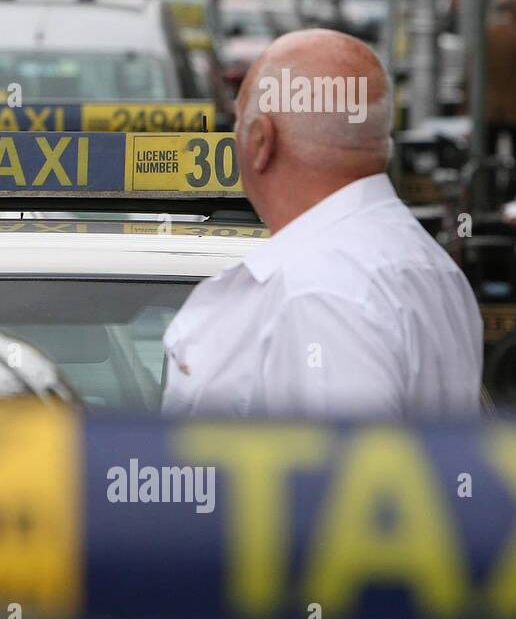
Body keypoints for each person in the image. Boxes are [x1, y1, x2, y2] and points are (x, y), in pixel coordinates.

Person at [162, 28, 482, 418]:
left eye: (238, 128)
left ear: (262, 142)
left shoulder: (317, 292)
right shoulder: (434, 269)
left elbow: (340, 475)